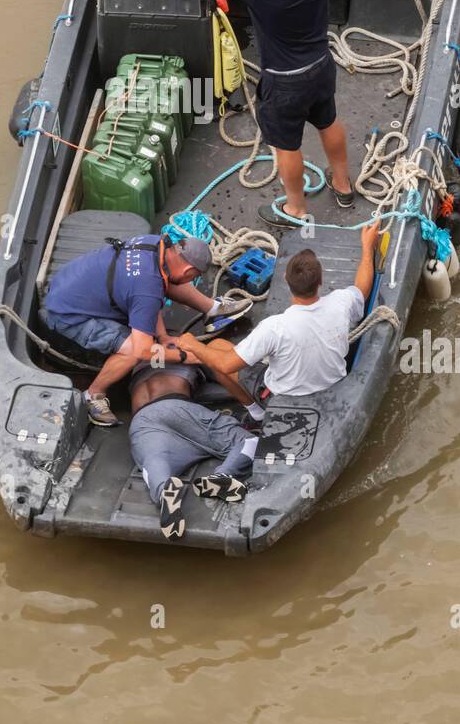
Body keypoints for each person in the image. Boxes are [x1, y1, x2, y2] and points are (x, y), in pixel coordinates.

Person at [139, 0, 354, 225]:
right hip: (320, 69)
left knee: (286, 146)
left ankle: (296, 208)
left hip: (285, 85)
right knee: (328, 121)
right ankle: (342, 184)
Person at [41, 232, 252, 426]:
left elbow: (152, 290)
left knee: (167, 282)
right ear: (189, 270)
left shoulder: (155, 244)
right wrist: (181, 355)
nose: (191, 281)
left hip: (69, 283)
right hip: (70, 315)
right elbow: (142, 351)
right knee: (132, 349)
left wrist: (162, 336)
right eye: (192, 277)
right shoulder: (146, 289)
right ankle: (93, 395)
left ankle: (213, 310)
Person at [177, 220, 382, 398]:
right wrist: (367, 248)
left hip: (284, 395)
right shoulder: (341, 302)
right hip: (331, 386)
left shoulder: (273, 328)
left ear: (285, 280)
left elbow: (225, 365)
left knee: (216, 349)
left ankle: (255, 411)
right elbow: (361, 289)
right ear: (320, 281)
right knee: (218, 348)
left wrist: (193, 345)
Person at [128, 360, 260, 540]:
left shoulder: (136, 365)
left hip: (142, 419)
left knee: (153, 460)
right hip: (176, 407)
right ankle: (223, 476)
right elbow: (226, 381)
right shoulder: (186, 356)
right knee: (250, 440)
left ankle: (163, 490)